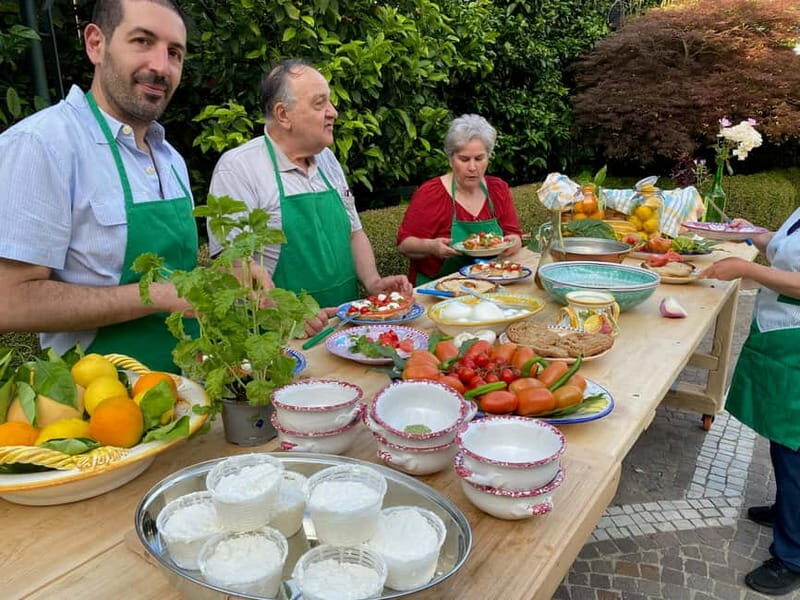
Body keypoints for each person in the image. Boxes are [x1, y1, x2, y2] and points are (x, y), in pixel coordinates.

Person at [0, 0, 197, 373]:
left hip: (184, 394)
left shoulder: (171, 159)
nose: (160, 66)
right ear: (95, 44)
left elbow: (180, 281)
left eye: (174, 53)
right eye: (142, 41)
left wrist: (226, 277)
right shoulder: (42, 144)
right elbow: (8, 301)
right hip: (97, 406)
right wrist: (153, 296)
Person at [207, 59, 412, 309]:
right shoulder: (238, 168)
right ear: (283, 115)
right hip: (282, 334)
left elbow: (353, 232)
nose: (333, 112)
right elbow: (232, 261)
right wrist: (290, 315)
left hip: (344, 322)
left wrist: (373, 282)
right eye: (320, 103)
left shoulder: (327, 160)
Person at [699, 215, 800, 595]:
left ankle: (793, 558)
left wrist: (746, 270)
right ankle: (787, 512)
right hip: (784, 333)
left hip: (796, 335)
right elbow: (789, 243)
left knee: (796, 446)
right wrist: (751, 234)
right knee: (782, 435)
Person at [396, 114, 523, 285]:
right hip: (438, 287)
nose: (472, 167)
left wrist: (513, 242)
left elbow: (513, 234)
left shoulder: (497, 189)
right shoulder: (431, 193)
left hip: (489, 281)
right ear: (450, 159)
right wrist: (431, 247)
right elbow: (405, 245)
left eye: (479, 158)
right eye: (464, 159)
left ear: (488, 157)